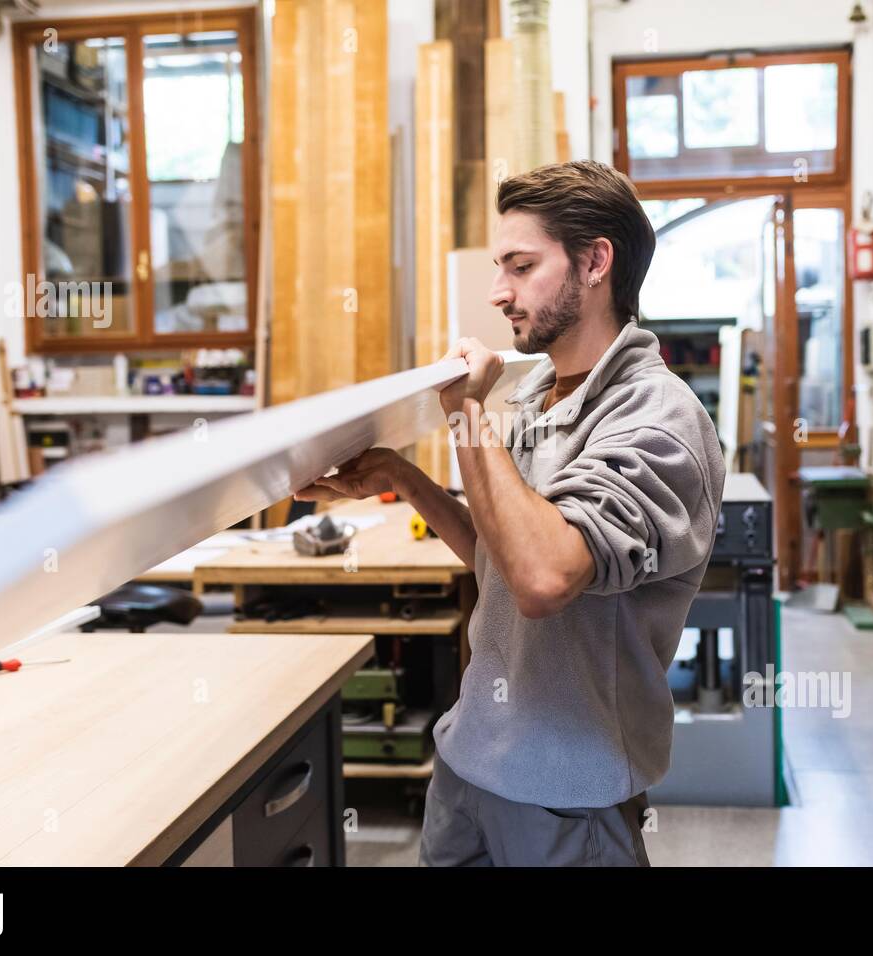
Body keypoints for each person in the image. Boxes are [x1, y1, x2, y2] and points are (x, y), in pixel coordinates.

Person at [296, 160, 725, 866]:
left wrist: (466, 410)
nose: (499, 293)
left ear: (595, 262)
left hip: (566, 788)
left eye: (521, 266)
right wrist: (400, 476)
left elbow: (543, 580)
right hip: (470, 760)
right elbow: (499, 558)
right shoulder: (542, 399)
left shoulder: (657, 418)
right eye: (501, 268)